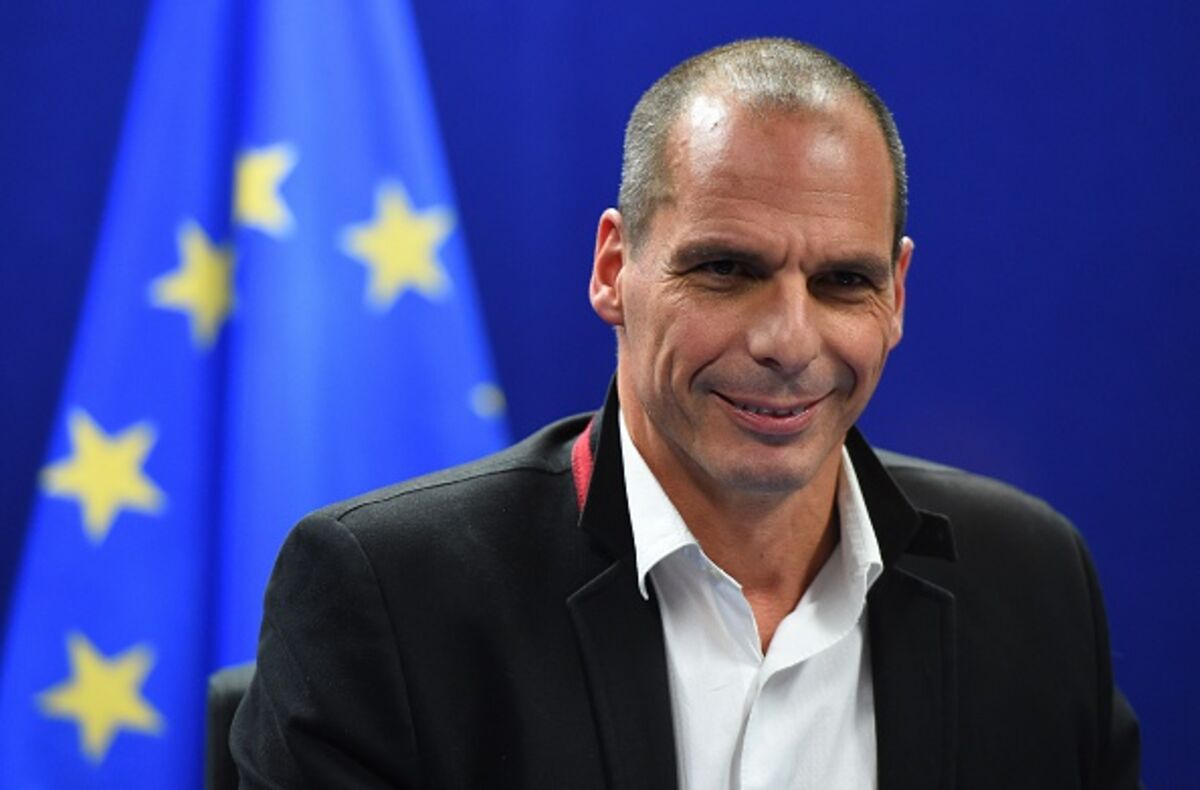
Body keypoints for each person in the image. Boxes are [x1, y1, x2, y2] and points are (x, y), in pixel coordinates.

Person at [231, 38, 1141, 788]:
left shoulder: (1034, 582)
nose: (789, 341)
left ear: (896, 295)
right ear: (613, 270)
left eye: (842, 281)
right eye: (726, 270)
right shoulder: (389, 598)